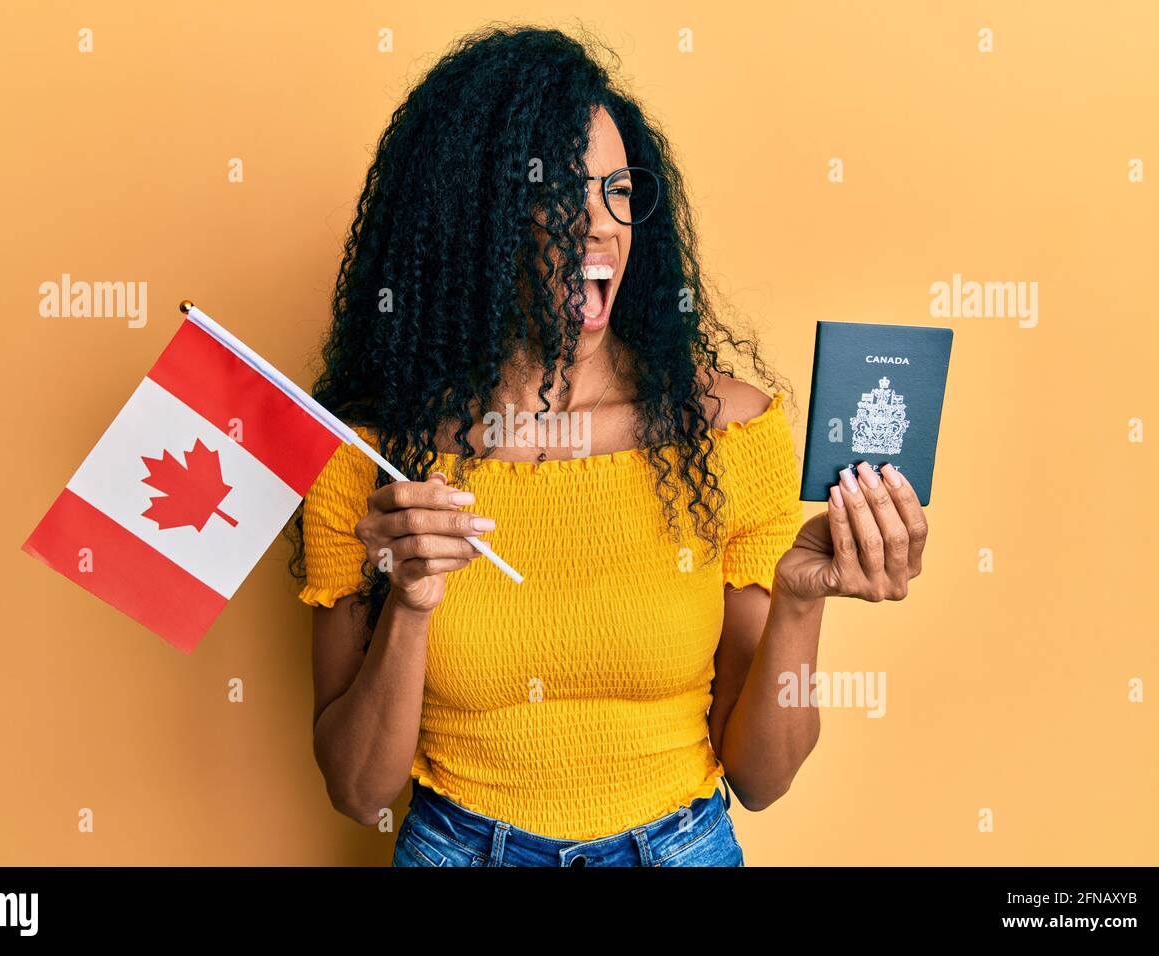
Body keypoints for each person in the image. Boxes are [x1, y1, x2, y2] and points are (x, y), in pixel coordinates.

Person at [290, 25, 927, 867]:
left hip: (682, 847)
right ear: (468, 217)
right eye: (552, 191)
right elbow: (356, 790)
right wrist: (409, 604)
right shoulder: (369, 454)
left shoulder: (727, 434)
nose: (597, 227)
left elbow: (763, 779)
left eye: (618, 190)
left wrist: (800, 603)